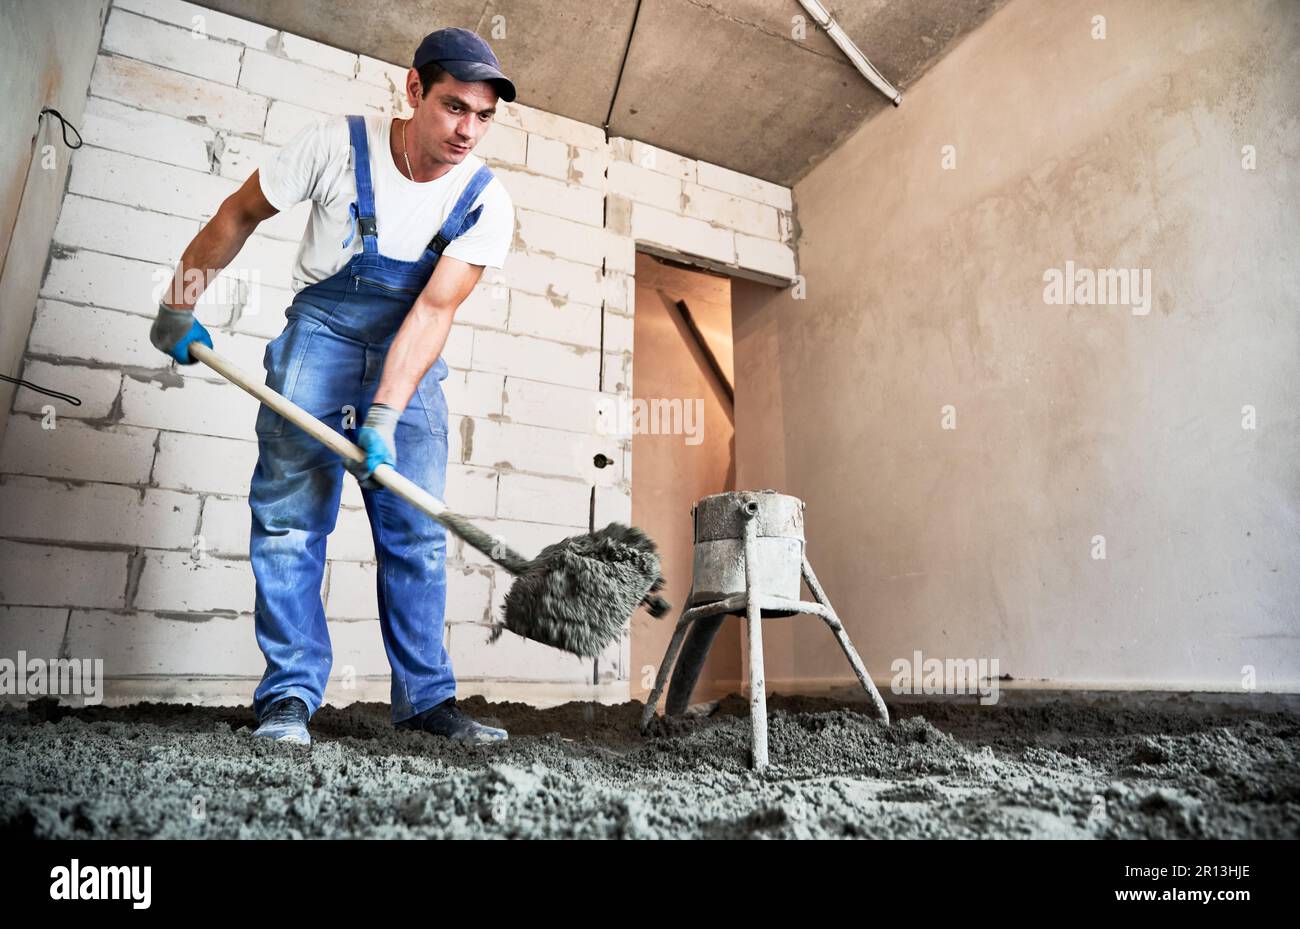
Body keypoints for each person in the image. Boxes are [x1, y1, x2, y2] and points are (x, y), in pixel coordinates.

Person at [148, 28, 516, 747]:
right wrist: (179, 302)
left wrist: (384, 412)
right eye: (452, 107)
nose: (467, 130)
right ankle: (287, 697)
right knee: (290, 519)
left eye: (483, 115)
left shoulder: (485, 201)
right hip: (319, 338)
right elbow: (238, 213)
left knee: (416, 533)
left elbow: (434, 310)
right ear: (413, 90)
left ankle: (426, 699)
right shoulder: (333, 146)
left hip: (409, 354)